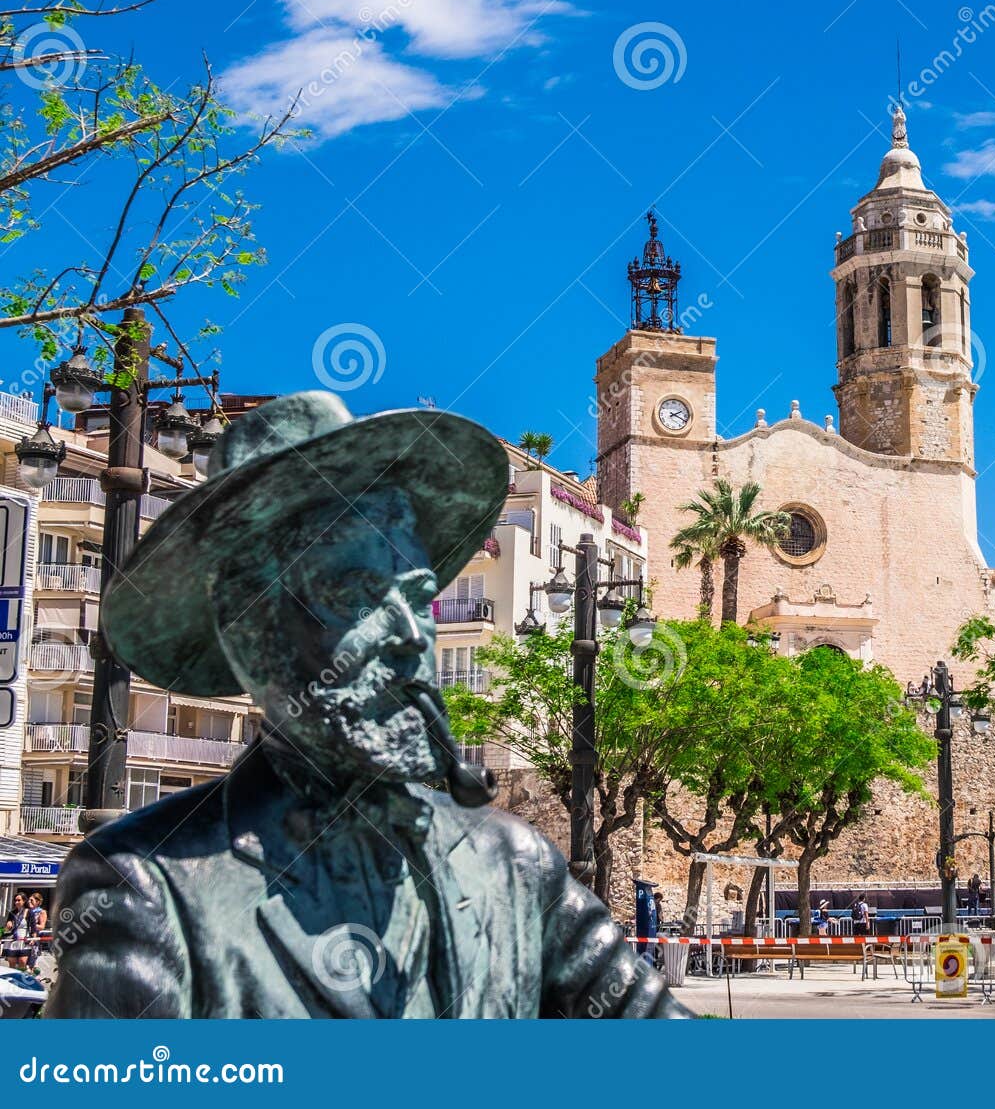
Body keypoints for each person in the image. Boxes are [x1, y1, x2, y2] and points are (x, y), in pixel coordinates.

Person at [45, 392, 687, 1020]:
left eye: (417, 595)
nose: (411, 633)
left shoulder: (513, 864)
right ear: (252, 633)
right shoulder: (146, 889)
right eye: (358, 594)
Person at [3, 895, 28, 971]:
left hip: (24, 940)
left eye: (19, 900)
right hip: (13, 939)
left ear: (24, 901)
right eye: (15, 900)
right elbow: (6, 928)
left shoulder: (29, 912)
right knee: (12, 964)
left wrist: (33, 938)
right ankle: (13, 981)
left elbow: (33, 927)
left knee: (22, 962)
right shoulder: (12, 912)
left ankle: (22, 981)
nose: (16, 902)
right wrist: (8, 925)